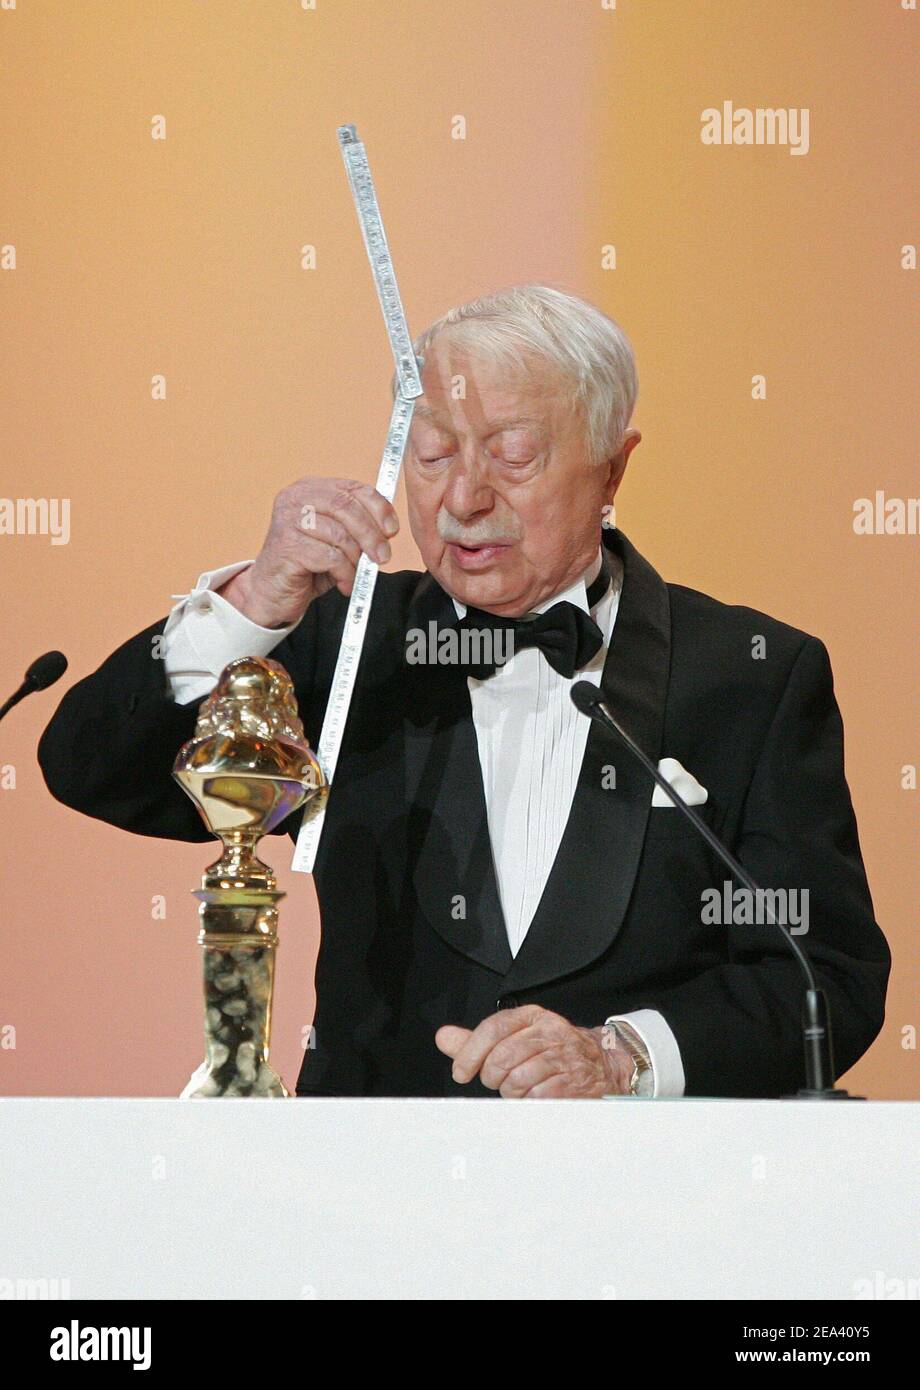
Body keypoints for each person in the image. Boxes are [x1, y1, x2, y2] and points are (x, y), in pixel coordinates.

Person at [38, 284, 890, 1098]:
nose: (462, 499)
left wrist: (622, 1057)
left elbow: (824, 981)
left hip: (645, 1212)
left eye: (513, 455)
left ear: (613, 470)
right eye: (433, 454)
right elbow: (91, 766)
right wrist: (253, 601)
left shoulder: (750, 675)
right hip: (368, 1197)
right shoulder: (346, 650)